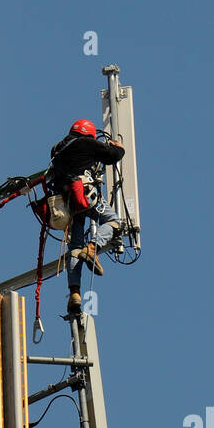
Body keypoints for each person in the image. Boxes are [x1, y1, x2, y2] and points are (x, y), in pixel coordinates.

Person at [48, 119, 125, 316]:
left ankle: (75, 294)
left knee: (74, 249)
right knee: (115, 222)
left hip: (68, 204)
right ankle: (93, 248)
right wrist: (118, 147)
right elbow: (112, 156)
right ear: (89, 134)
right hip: (87, 196)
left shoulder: (57, 149)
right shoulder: (87, 144)